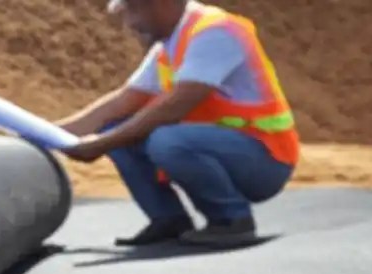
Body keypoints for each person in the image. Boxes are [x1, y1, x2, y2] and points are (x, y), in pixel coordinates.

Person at [59, 0, 300, 247]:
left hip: (266, 158)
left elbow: (176, 105)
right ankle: (168, 219)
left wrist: (101, 144)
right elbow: (122, 102)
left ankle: (231, 220)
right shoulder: (169, 45)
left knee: (164, 140)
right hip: (218, 148)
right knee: (116, 129)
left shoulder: (217, 31)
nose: (130, 23)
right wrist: (45, 134)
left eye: (134, 9)